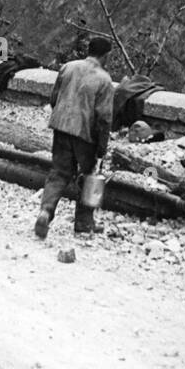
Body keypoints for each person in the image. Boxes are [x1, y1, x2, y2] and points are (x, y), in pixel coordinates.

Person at [35, 36, 115, 238]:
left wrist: (62, 119)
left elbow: (54, 98)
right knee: (88, 177)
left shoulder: (68, 67)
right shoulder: (104, 81)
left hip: (61, 127)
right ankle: (83, 222)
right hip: (84, 134)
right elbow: (104, 118)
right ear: (105, 56)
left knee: (58, 173)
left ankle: (45, 212)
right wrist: (101, 147)